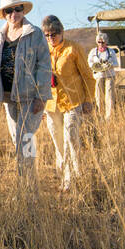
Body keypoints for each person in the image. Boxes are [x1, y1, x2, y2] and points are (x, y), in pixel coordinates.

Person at [0, 0, 51, 171]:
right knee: (17, 137)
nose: (14, 13)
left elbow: (44, 65)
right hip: (8, 97)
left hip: (30, 97)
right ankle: (23, 184)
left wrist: (41, 96)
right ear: (4, 13)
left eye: (18, 9)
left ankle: (29, 184)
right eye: (9, 10)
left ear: (23, 11)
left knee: (27, 138)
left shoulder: (34, 33)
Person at [41, 16, 95, 191]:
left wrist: (89, 100)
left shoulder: (73, 49)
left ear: (61, 31)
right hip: (51, 103)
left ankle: (70, 178)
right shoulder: (43, 50)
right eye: (47, 35)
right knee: (57, 140)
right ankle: (64, 169)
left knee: (70, 137)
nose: (51, 38)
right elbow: (39, 78)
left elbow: (87, 75)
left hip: (73, 100)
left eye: (54, 34)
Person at [87, 31, 120, 120]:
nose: (101, 44)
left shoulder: (111, 51)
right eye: (99, 42)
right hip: (98, 76)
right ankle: (100, 116)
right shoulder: (93, 51)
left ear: (106, 42)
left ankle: (109, 117)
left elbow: (116, 63)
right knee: (99, 96)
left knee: (109, 96)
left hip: (110, 75)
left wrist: (109, 65)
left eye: (103, 42)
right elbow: (89, 62)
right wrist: (96, 66)